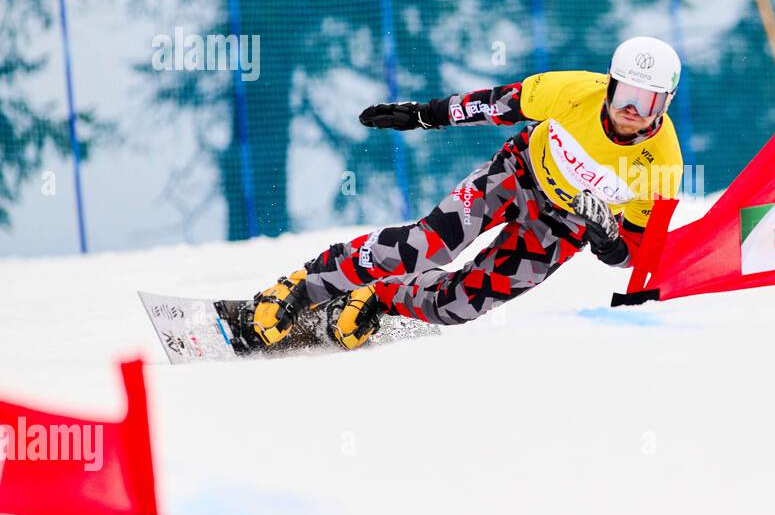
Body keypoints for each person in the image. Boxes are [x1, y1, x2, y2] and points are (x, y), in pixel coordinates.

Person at [249, 36, 684, 350]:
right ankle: (308, 284)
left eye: (647, 102)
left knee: (461, 305)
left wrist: (606, 237)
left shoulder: (662, 165)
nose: (631, 110)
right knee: (428, 245)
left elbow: (636, 254)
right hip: (518, 174)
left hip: (563, 227)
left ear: (666, 103)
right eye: (626, 93)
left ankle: (382, 296)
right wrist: (425, 115)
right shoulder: (572, 93)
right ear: (608, 84)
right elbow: (496, 104)